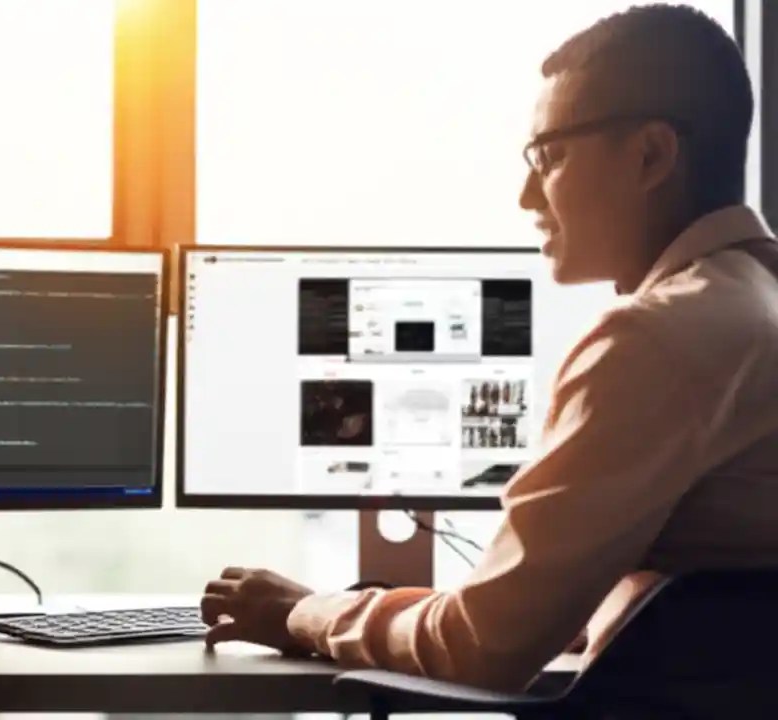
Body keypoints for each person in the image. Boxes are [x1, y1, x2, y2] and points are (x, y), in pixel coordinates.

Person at [199, 3, 778, 693]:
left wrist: (302, 613)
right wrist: (615, 593)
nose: (526, 193)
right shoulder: (752, 302)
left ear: (651, 155)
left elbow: (481, 646)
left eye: (550, 155)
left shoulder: (655, 340)